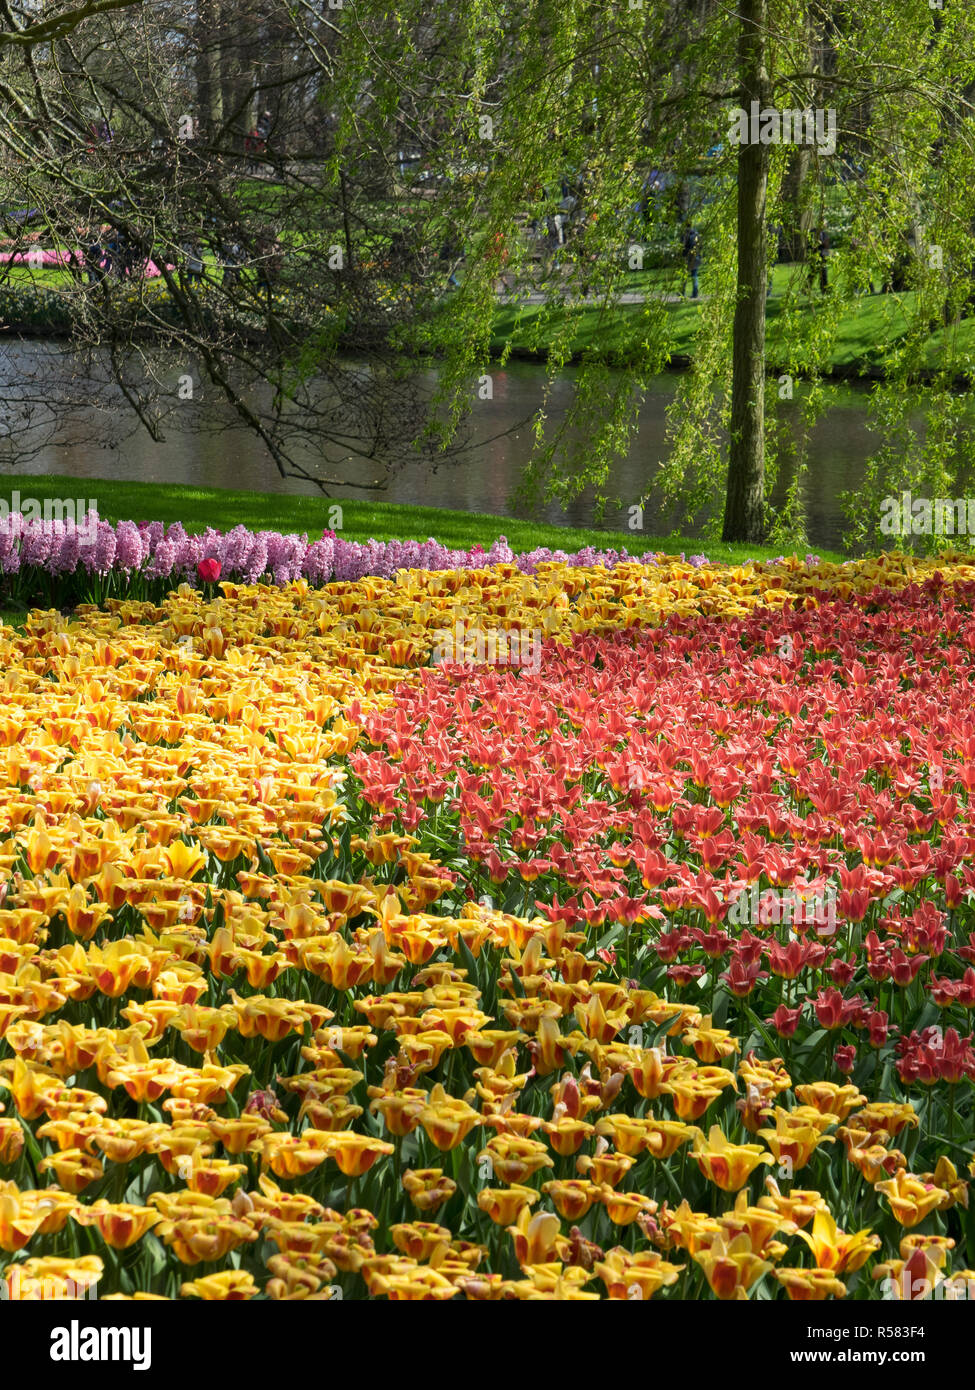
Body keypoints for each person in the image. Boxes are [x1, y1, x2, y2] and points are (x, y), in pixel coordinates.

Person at [682, 224, 701, 299]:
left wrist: (683, 255)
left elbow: (683, 247)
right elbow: (700, 246)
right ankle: (695, 293)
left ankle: (682, 292)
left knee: (684, 276)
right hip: (696, 257)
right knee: (694, 275)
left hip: (688, 258)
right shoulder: (697, 235)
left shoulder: (686, 235)